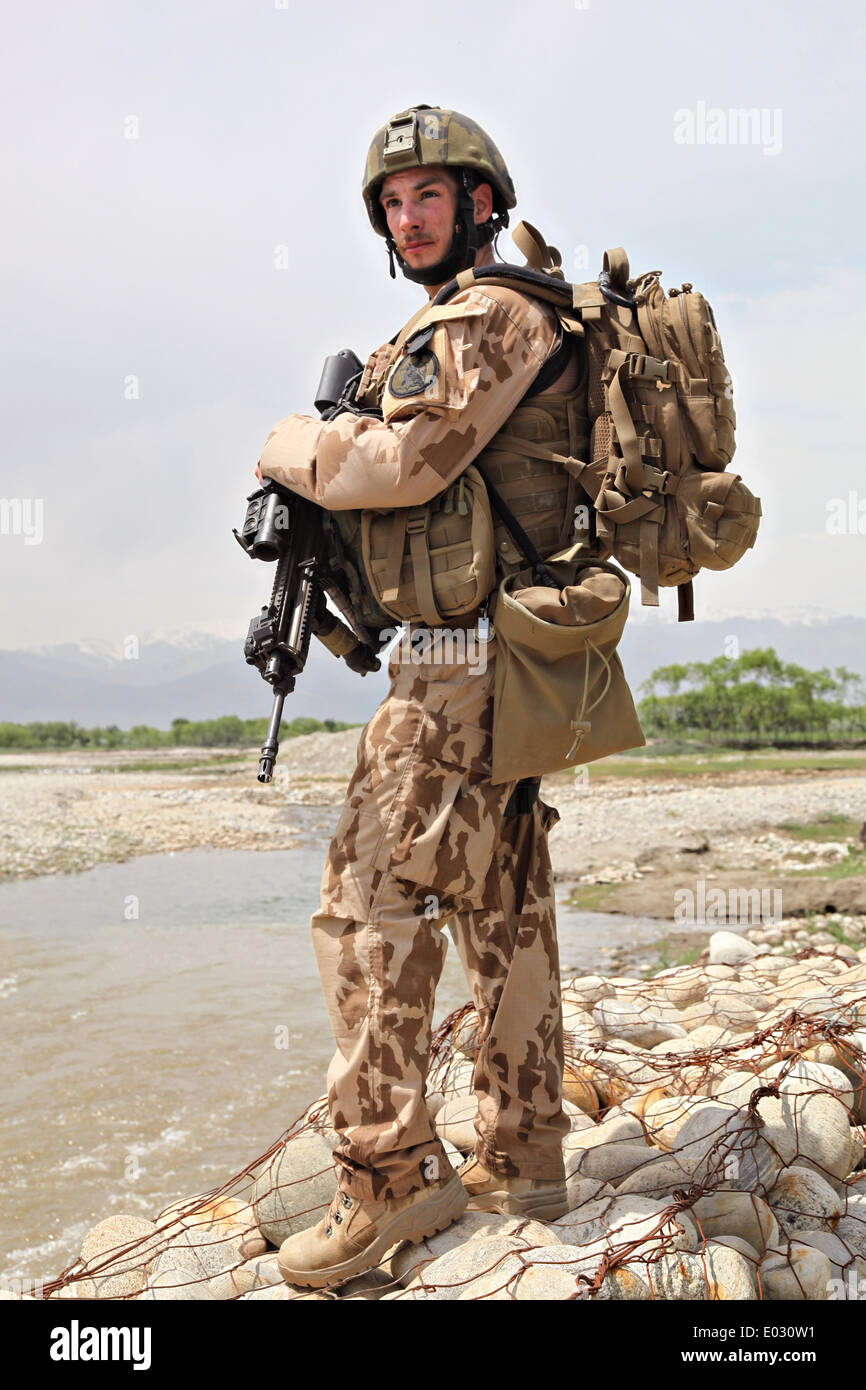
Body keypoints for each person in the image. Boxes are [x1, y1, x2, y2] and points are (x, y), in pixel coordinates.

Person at [255, 105, 593, 1289]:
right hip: (483, 651)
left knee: (364, 895)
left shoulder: (494, 311)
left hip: (468, 657)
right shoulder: (460, 315)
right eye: (392, 204)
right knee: (499, 900)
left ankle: (389, 1178)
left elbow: (408, 465)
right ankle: (524, 1152)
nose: (408, 219)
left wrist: (287, 447)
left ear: (480, 202)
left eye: (429, 198)